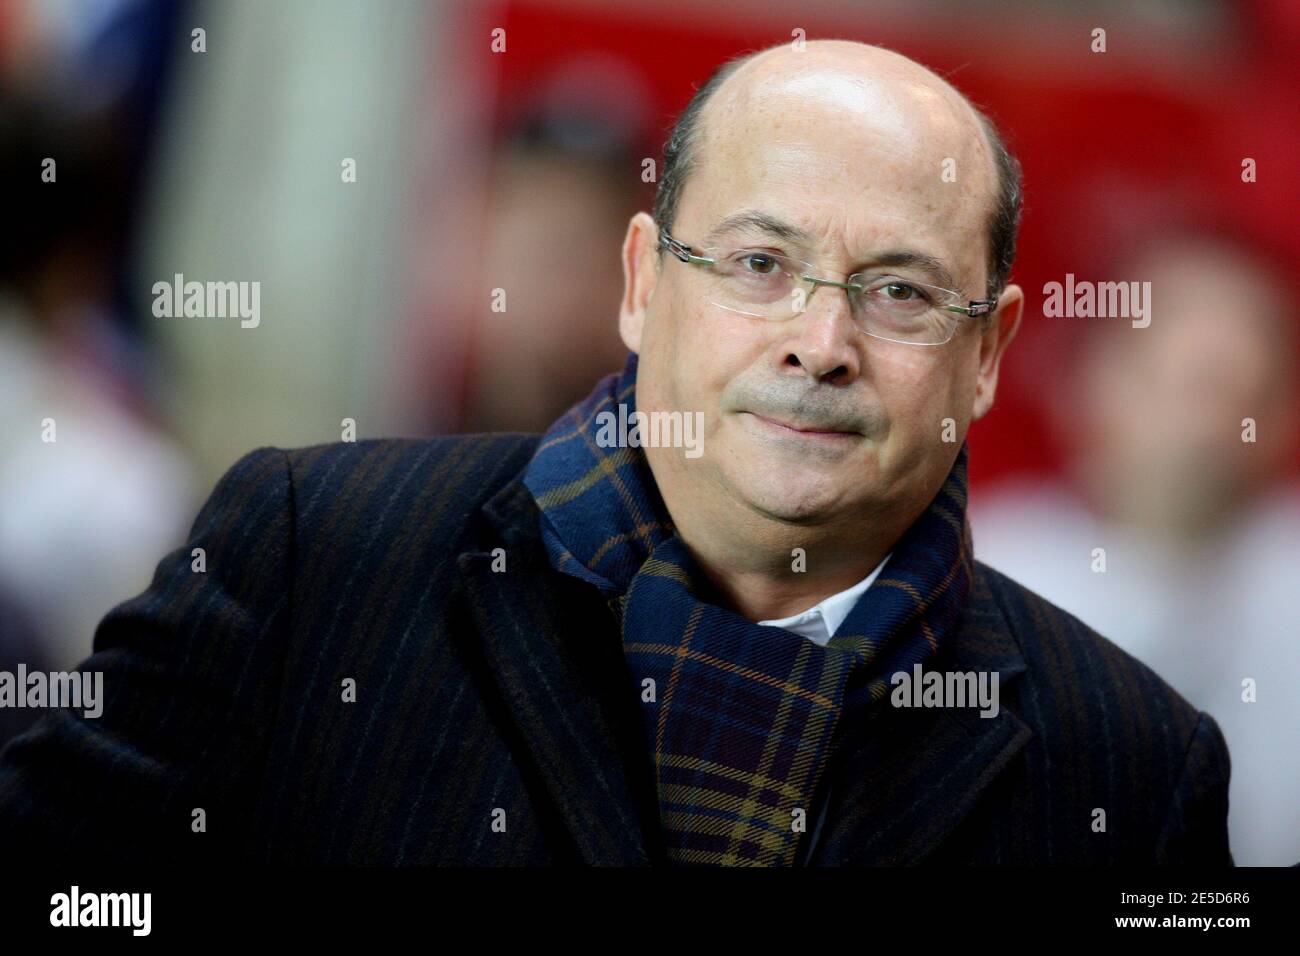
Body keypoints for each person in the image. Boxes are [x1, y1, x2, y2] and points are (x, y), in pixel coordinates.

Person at [0, 39, 1232, 865]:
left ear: (989, 351)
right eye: (759, 265)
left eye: (900, 291)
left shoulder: (1129, 762)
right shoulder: (316, 555)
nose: (821, 342)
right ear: (643, 283)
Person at [971, 227, 1299, 865]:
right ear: (1084, 378)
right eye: (1175, 377)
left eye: (1233, 387)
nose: (1202, 423)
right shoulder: (985, 564)